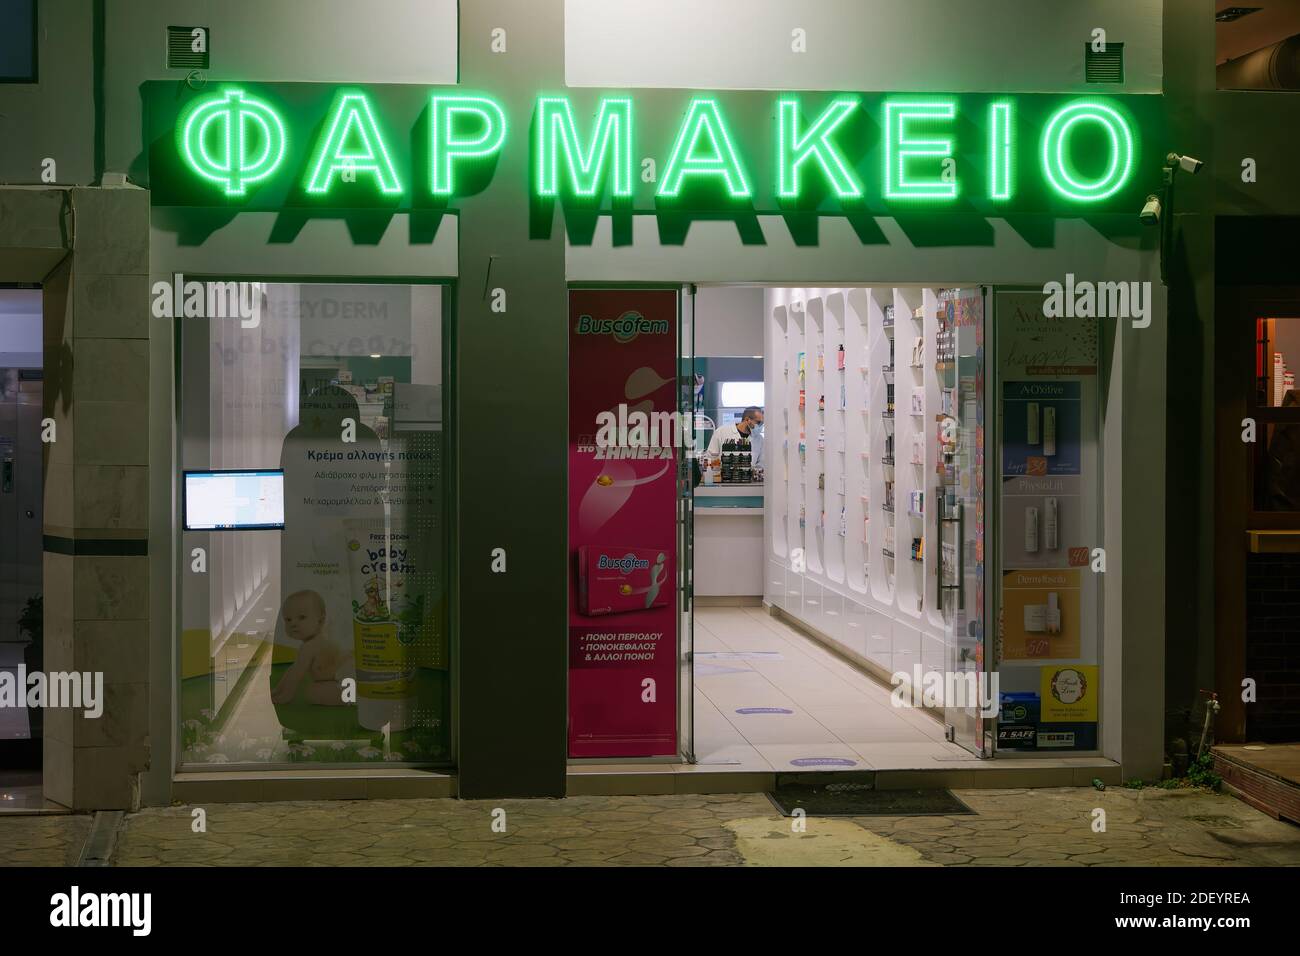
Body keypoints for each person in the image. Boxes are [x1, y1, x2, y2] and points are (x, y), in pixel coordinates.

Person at [705, 405, 763, 477]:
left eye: (762, 423)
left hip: (748, 483)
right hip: (724, 481)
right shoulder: (721, 432)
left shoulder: (759, 439)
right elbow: (710, 458)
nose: (761, 426)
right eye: (759, 422)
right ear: (747, 420)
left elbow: (760, 464)